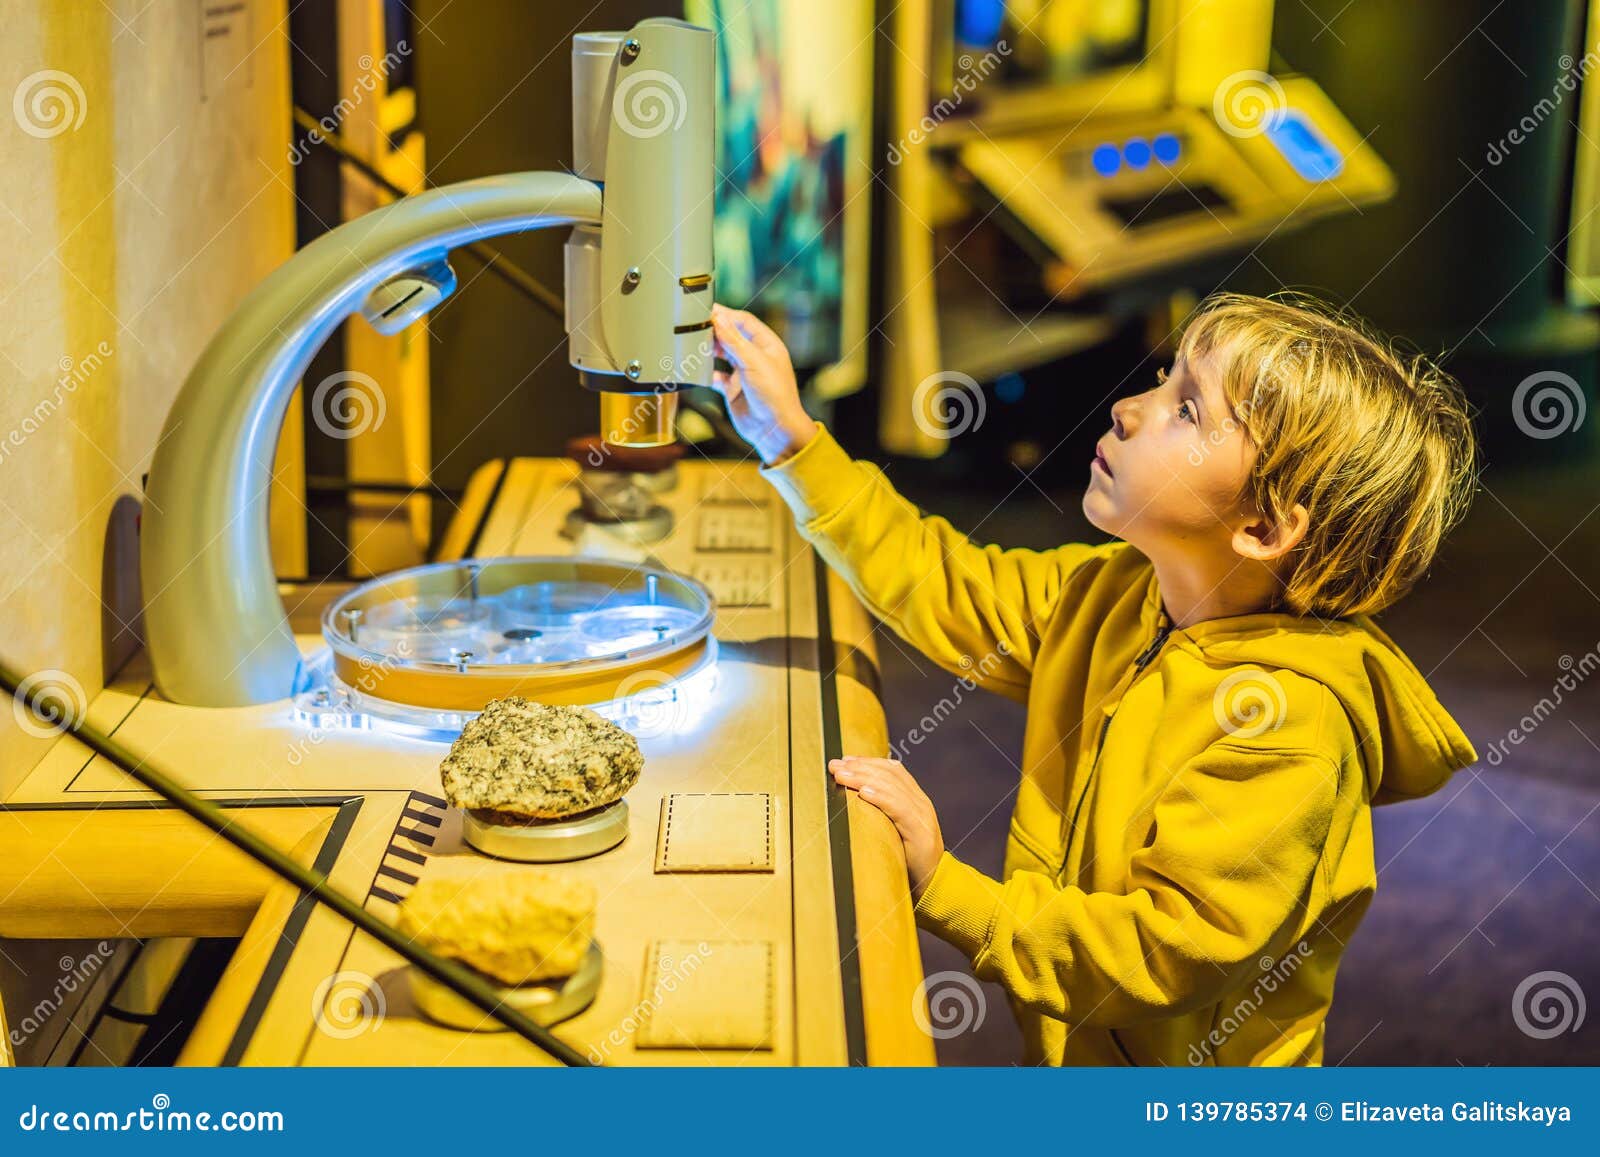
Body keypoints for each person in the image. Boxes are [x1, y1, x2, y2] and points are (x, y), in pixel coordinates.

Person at [707, 293, 1480, 1066]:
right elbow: (943, 583)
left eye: (1186, 409)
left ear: (1264, 528)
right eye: (1166, 377)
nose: (1129, 408)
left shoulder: (1287, 730)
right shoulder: (1115, 593)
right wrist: (791, 439)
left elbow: (1161, 952)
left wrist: (947, 886)